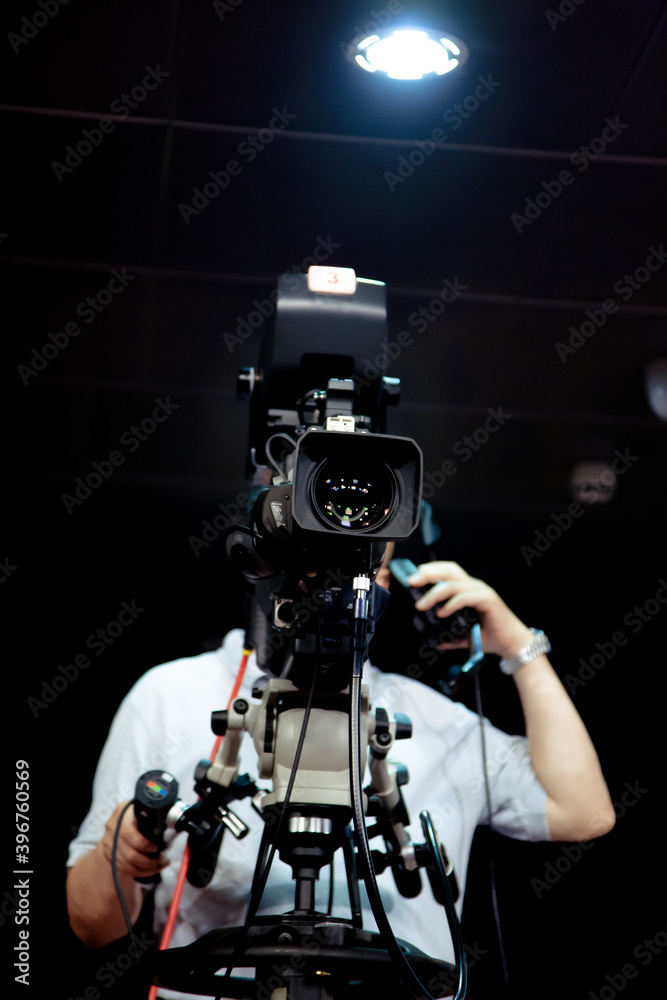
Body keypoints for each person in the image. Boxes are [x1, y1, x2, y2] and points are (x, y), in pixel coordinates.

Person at [66, 558, 615, 997]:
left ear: (389, 569)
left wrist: (519, 646)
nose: (332, 578)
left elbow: (582, 811)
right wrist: (119, 852)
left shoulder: (433, 719)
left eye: (361, 559)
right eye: (314, 555)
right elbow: (91, 924)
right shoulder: (170, 695)